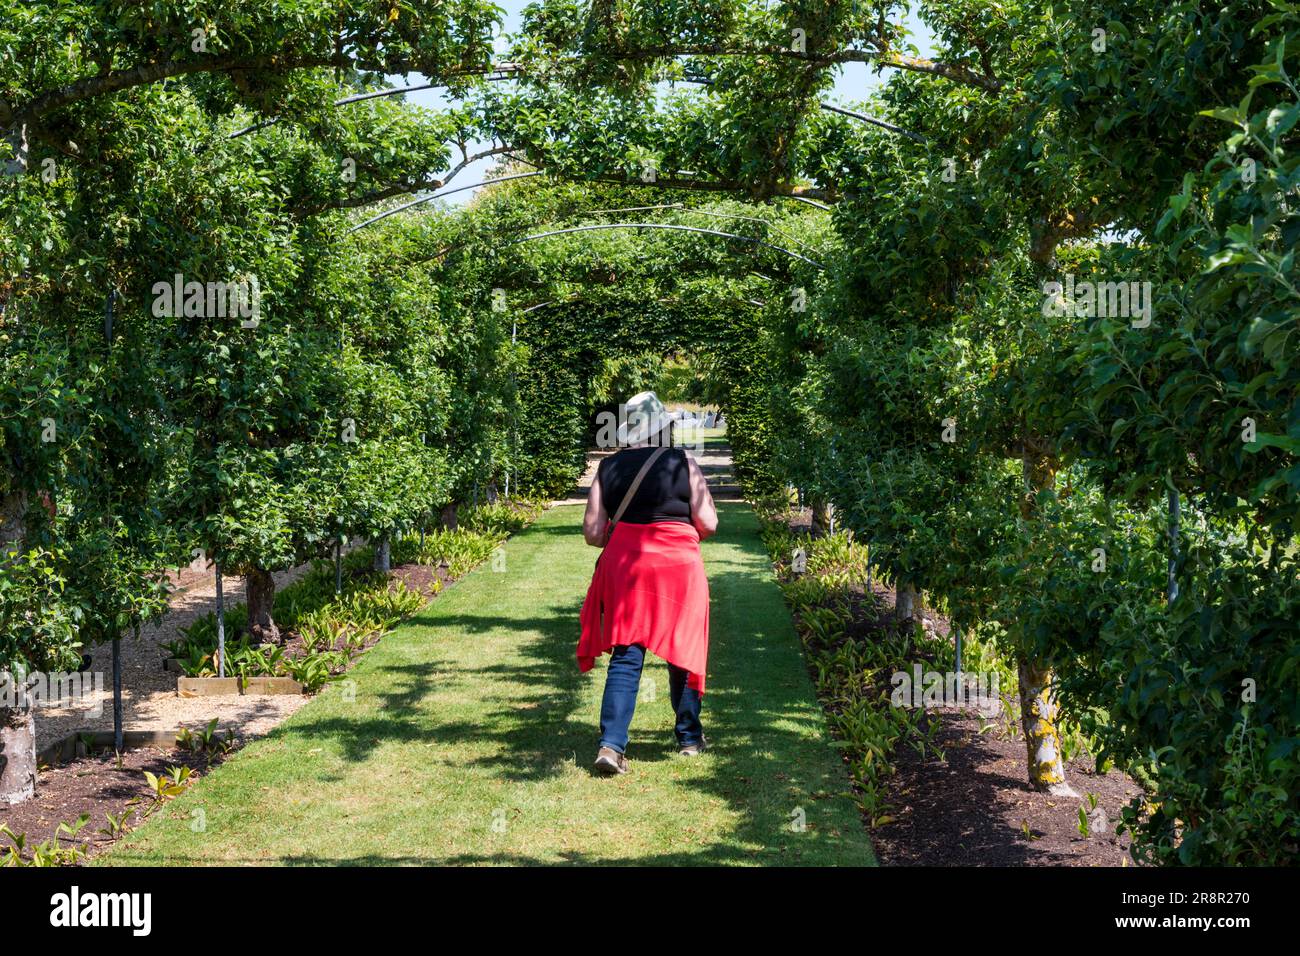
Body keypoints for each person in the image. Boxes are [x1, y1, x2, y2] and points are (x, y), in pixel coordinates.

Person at [577, 391, 718, 775]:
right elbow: (708, 522)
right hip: (678, 567)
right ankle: (689, 738)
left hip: (628, 568)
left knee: (627, 653)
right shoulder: (683, 463)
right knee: (683, 649)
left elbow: (592, 532)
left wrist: (625, 534)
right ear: (663, 430)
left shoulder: (607, 469)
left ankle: (611, 746)